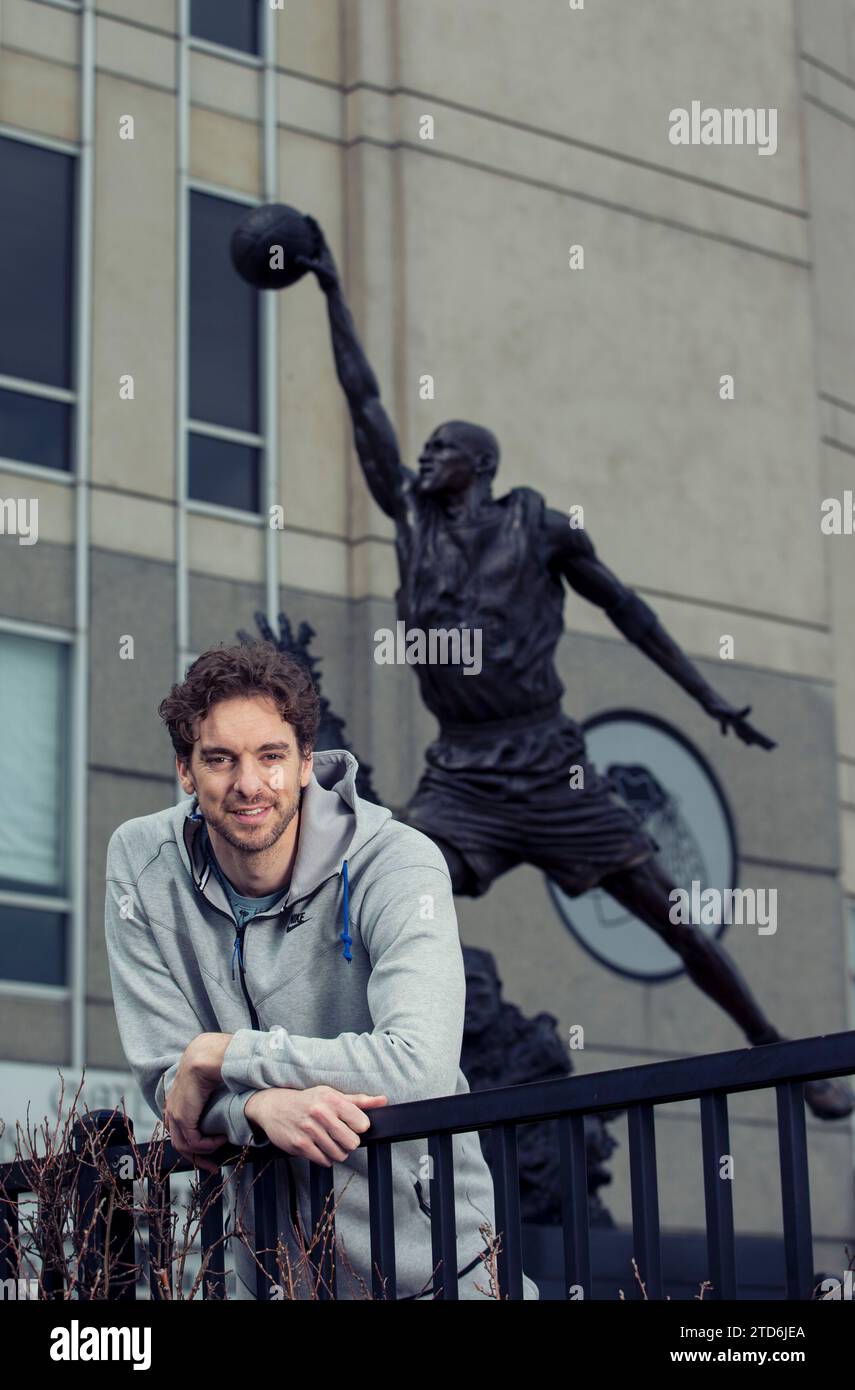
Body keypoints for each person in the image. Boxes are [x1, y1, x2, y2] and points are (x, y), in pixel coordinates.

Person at [295, 221, 852, 1121]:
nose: (424, 456)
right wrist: (330, 291)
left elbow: (626, 610)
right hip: (465, 771)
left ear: (477, 466)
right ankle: (344, 1055)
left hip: (548, 761)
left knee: (663, 909)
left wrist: (707, 696)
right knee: (380, 882)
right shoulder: (413, 522)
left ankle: (777, 1049)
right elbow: (363, 404)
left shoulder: (539, 528)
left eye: (442, 447)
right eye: (425, 447)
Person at [104, 640, 539, 1300]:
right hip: (275, 1278)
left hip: (440, 1275)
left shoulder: (397, 862)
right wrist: (256, 1106)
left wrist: (223, 1054)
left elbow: (418, 1066)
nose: (249, 784)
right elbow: (173, 1087)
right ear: (186, 772)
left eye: (271, 757)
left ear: (306, 763)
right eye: (220, 759)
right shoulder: (142, 865)